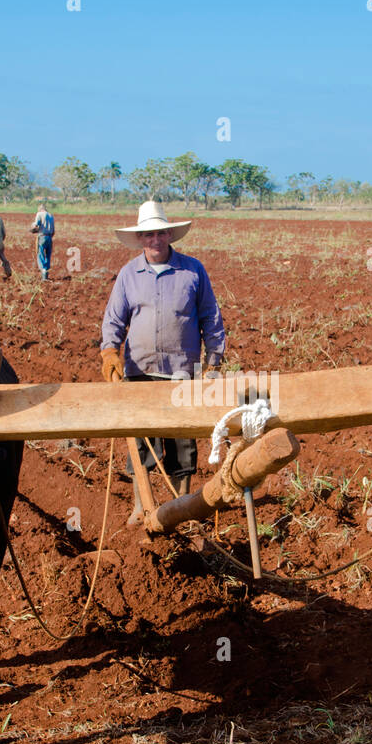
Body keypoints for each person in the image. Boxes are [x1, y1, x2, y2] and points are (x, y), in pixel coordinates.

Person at [100, 201, 226, 520]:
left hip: (181, 372)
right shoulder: (129, 274)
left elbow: (211, 317)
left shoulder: (192, 270)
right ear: (141, 238)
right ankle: (140, 506)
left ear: (170, 234)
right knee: (141, 441)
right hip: (139, 371)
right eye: (149, 234)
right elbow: (114, 319)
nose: (155, 240)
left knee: (181, 443)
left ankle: (179, 506)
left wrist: (214, 361)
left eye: (160, 233)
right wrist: (109, 352)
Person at [29, 203, 55, 281]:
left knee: (40, 254)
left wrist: (32, 227)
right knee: (48, 255)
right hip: (49, 237)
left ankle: (43, 271)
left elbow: (36, 225)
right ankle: (46, 274)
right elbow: (53, 230)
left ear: (40, 209)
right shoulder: (51, 216)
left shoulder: (39, 214)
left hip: (42, 236)